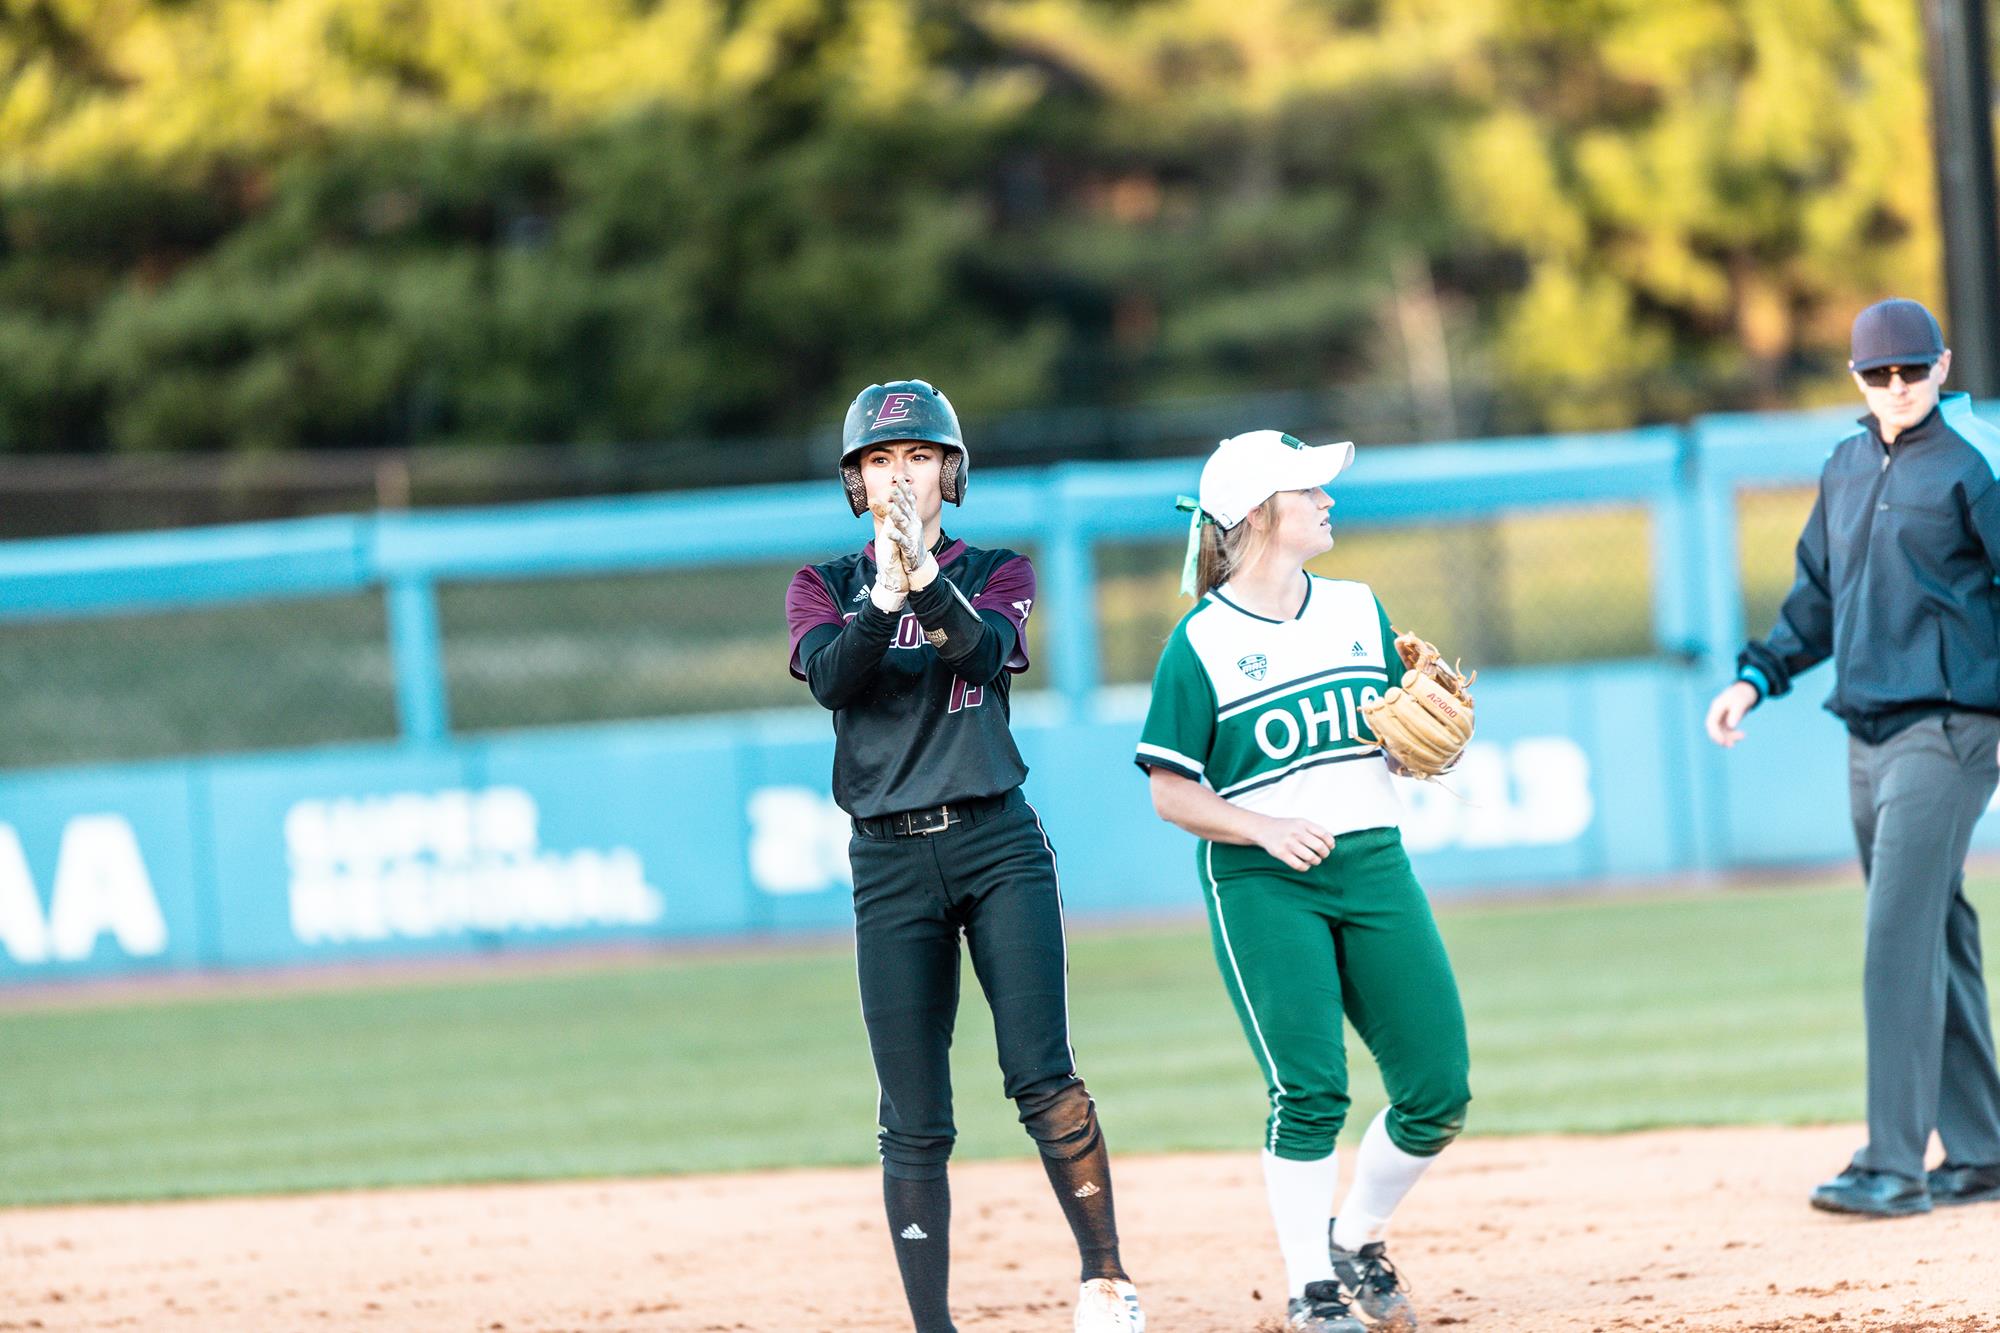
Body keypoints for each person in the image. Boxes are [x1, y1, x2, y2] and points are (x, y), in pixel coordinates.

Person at [785, 380, 1145, 1332]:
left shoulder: (997, 567)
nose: (898, 474)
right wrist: (883, 592)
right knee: (912, 1113)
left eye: (916, 456)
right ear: (856, 481)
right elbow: (833, 678)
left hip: (996, 844)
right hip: (888, 861)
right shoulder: (820, 582)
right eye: (879, 459)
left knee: (1042, 1072)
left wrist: (926, 582)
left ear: (950, 469)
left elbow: (984, 655)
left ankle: (1106, 1278)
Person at [1134, 430, 1470, 1332]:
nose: (1328, 499)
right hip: (1262, 881)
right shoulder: (1199, 643)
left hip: (1374, 862)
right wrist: (1262, 826)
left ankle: (1353, 1241)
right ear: (1257, 515)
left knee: (1439, 1087)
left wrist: (1411, 752)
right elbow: (1172, 788)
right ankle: (1310, 1291)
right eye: (1309, 489)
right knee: (1311, 1088)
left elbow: (1385, 742)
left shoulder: (1358, 607)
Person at [1705, 298, 2000, 1218]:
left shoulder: (1975, 460)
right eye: (1881, 373)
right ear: (1857, 379)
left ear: (1942, 365)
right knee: (1935, 927)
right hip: (1866, 730)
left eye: (1914, 368)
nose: (1899, 386)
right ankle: (1985, 1148)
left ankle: (1894, 1163)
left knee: (1894, 937)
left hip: (1950, 729)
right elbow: (1816, 603)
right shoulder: (1843, 464)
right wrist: (1756, 677)